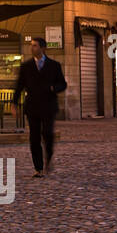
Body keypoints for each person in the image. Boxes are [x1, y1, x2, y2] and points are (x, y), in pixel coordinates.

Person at [13, 37, 68, 178]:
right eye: (31, 46)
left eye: (35, 46)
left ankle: (48, 158)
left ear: (43, 48)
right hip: (32, 107)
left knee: (48, 134)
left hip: (48, 106)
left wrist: (53, 88)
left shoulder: (54, 65)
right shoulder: (26, 66)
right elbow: (19, 86)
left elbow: (63, 84)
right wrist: (14, 104)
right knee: (34, 137)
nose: (32, 48)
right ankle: (38, 168)